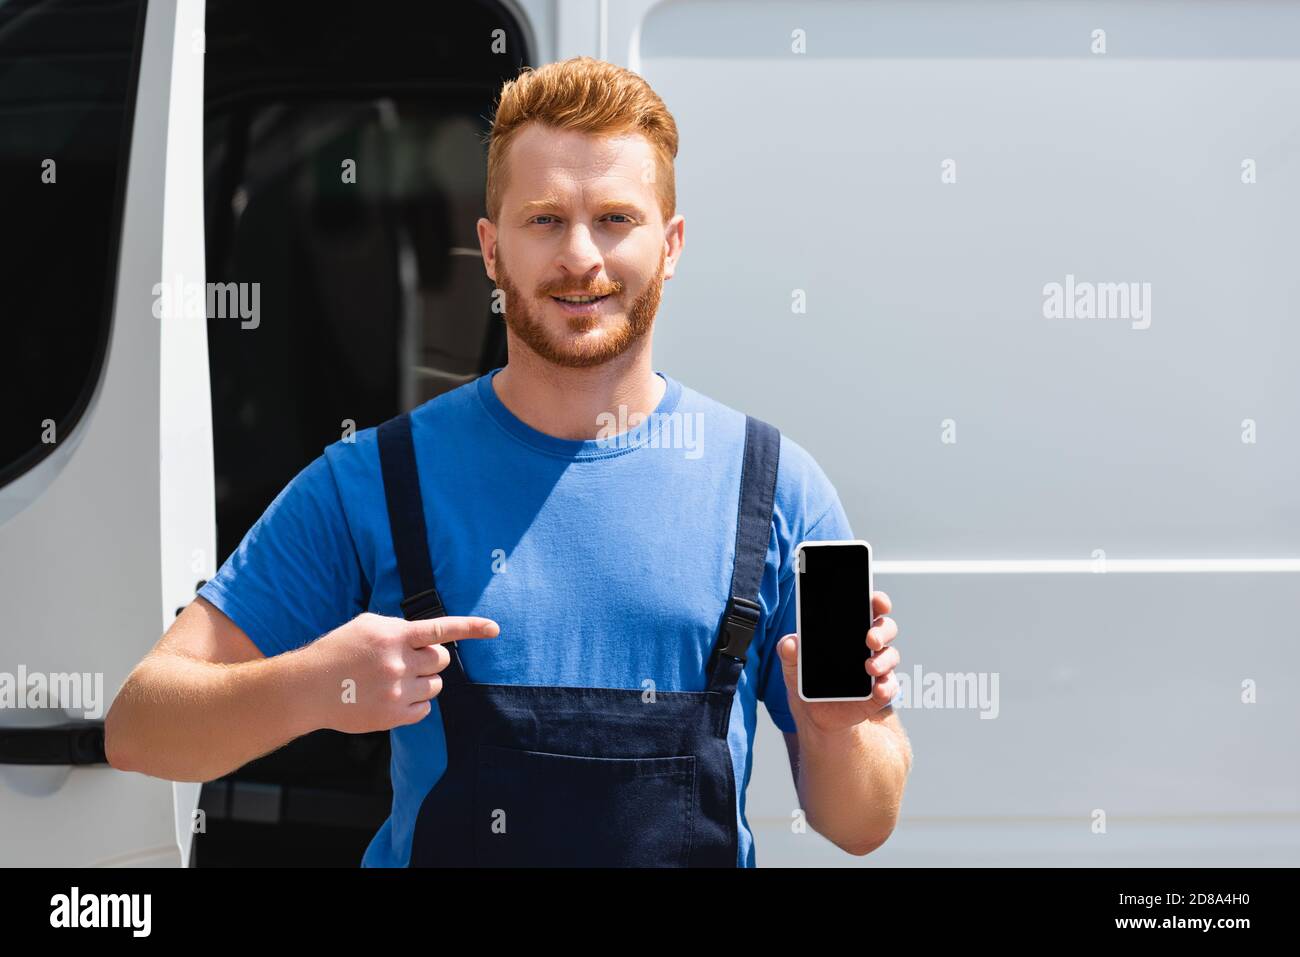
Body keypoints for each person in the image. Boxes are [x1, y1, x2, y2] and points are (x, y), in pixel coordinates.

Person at [105, 55, 911, 867]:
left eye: (616, 219)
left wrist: (835, 728)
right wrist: (318, 686)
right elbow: (142, 726)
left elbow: (862, 822)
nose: (581, 257)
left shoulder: (771, 489)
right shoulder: (377, 480)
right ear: (491, 250)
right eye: (546, 220)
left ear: (670, 246)